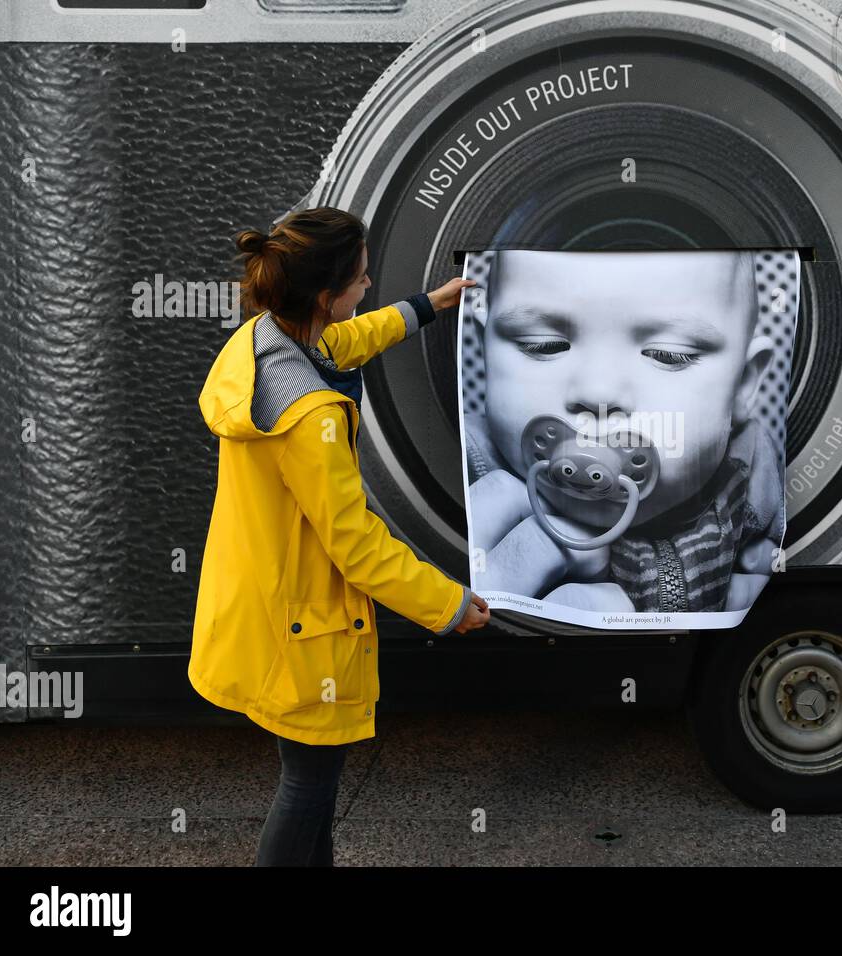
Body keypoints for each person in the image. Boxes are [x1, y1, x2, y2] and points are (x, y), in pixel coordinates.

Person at [189, 207, 490, 866]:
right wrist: (449, 605)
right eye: (359, 279)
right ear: (328, 298)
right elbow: (354, 543)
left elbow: (347, 343)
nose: (368, 283)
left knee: (309, 783)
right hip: (302, 626)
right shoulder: (311, 417)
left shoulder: (268, 342)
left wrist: (428, 306)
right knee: (308, 786)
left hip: (262, 605)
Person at [463, 249, 787, 614]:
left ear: (743, 384)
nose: (598, 393)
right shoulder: (449, 480)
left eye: (668, 354)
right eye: (543, 345)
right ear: (486, 355)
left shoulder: (756, 488)